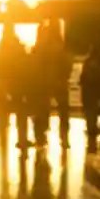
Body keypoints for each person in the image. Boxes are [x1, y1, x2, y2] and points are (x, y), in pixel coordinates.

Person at [33, 20, 73, 148]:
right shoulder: (60, 47)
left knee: (42, 111)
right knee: (63, 112)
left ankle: (41, 137)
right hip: (59, 82)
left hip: (43, 82)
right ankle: (64, 138)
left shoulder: (40, 47)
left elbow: (36, 64)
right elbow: (67, 64)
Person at [79, 40, 100, 152]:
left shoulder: (88, 62)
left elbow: (83, 79)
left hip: (90, 93)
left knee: (91, 119)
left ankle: (92, 143)